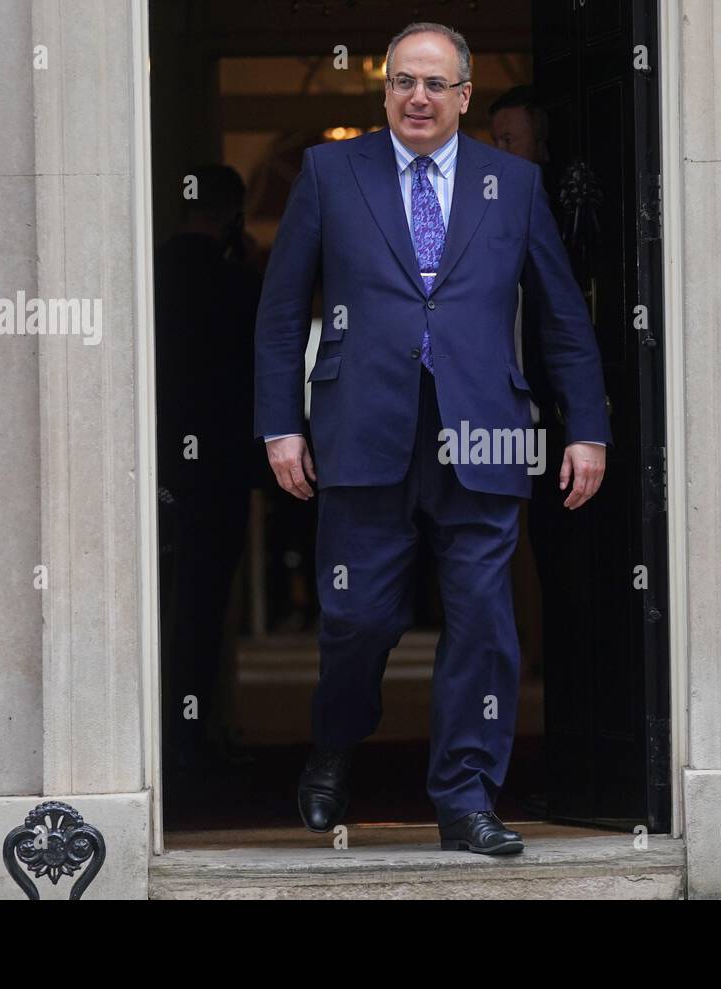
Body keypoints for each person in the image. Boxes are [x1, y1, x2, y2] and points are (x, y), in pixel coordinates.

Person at [253, 22, 611, 855]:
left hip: (484, 432)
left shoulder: (512, 183)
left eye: (434, 84)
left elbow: (562, 318)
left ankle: (466, 796)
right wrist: (281, 424)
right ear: (384, 92)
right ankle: (337, 742)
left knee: (484, 621)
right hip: (359, 430)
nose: (418, 97)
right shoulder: (328, 171)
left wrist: (585, 429)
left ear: (463, 96)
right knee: (356, 618)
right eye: (403, 82)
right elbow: (278, 315)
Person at [156, 164, 264, 773]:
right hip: (218, 466)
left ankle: (167, 739)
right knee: (203, 604)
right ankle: (191, 737)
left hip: (156, 458)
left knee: (160, 600)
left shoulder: (149, 276)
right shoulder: (239, 286)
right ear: (231, 214)